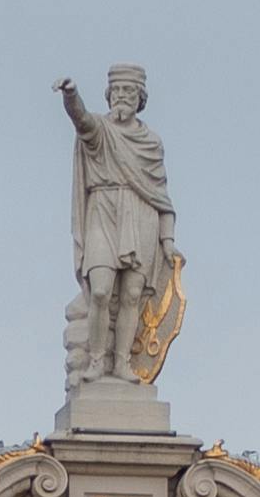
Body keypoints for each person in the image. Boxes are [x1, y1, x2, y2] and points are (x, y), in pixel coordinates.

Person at [58, 67, 182, 384]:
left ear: (140, 99)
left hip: (142, 215)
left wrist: (167, 240)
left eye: (129, 92)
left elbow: (161, 195)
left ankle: (123, 362)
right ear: (109, 95)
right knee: (100, 291)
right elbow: (81, 119)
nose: (122, 97)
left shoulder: (151, 142)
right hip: (104, 208)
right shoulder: (100, 130)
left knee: (131, 295)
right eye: (117, 91)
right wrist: (71, 95)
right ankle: (98, 360)